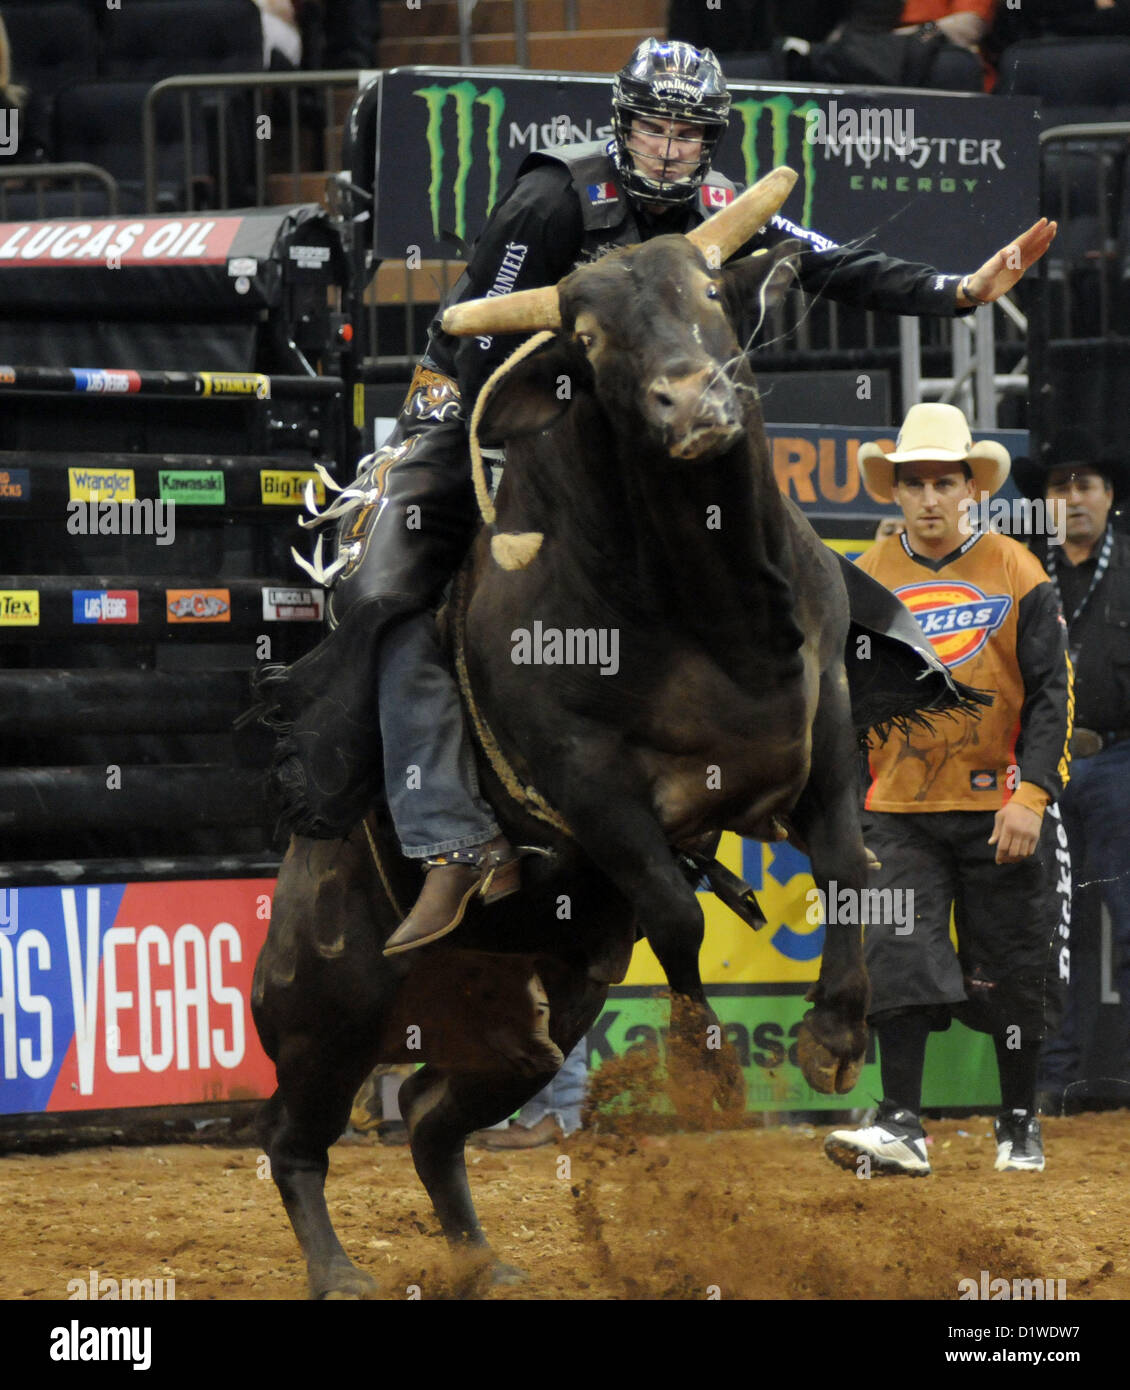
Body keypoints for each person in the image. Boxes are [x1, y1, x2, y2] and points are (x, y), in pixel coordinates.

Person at [260, 37, 1056, 969]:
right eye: (655, 128)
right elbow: (472, 332)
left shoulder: (720, 215)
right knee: (386, 592)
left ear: (708, 142)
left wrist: (959, 291)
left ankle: (813, 753)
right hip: (493, 408)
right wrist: (512, 445)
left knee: (768, 540)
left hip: (646, 444)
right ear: (622, 125)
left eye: (689, 134)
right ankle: (448, 831)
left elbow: (832, 263)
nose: (671, 150)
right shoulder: (555, 199)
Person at [823, 403, 1072, 1176]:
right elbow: (839, 701)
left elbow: (1053, 694)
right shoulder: (862, 580)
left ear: (973, 487)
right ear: (894, 492)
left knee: (1012, 973)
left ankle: (1019, 1123)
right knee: (897, 961)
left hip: (1001, 812)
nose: (929, 497)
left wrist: (1030, 796)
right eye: (914, 482)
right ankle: (902, 1124)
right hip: (897, 812)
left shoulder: (1016, 569)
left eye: (944, 481)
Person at [1014, 431, 1130, 1109]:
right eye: (1060, 486)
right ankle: (1055, 1083)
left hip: (1119, 759)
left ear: (1110, 497)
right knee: (1055, 930)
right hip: (1044, 771)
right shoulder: (1026, 570)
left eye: (1086, 484)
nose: (1073, 498)